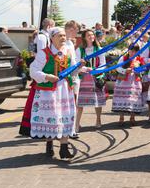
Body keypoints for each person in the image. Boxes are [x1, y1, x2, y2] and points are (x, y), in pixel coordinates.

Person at [29, 28, 84, 160]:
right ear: (52, 38)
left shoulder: (69, 53)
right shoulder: (44, 53)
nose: (63, 38)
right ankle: (49, 144)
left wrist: (79, 67)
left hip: (65, 90)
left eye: (64, 35)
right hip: (48, 92)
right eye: (60, 36)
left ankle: (64, 149)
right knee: (52, 117)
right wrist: (47, 76)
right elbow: (33, 71)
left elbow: (73, 72)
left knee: (65, 116)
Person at [75, 29, 107, 132]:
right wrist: (85, 69)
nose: (91, 36)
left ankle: (98, 119)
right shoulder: (79, 50)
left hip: (96, 78)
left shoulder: (99, 49)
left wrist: (95, 70)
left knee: (97, 101)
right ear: (84, 37)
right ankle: (77, 124)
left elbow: (103, 64)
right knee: (80, 102)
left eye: (92, 35)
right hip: (83, 78)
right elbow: (75, 65)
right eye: (88, 35)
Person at [112, 45, 147, 126]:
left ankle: (132, 117)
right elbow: (117, 67)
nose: (133, 53)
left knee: (133, 99)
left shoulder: (139, 59)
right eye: (131, 50)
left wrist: (139, 71)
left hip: (135, 81)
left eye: (135, 51)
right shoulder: (123, 58)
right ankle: (121, 118)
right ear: (128, 50)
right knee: (122, 98)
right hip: (123, 81)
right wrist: (124, 70)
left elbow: (143, 69)